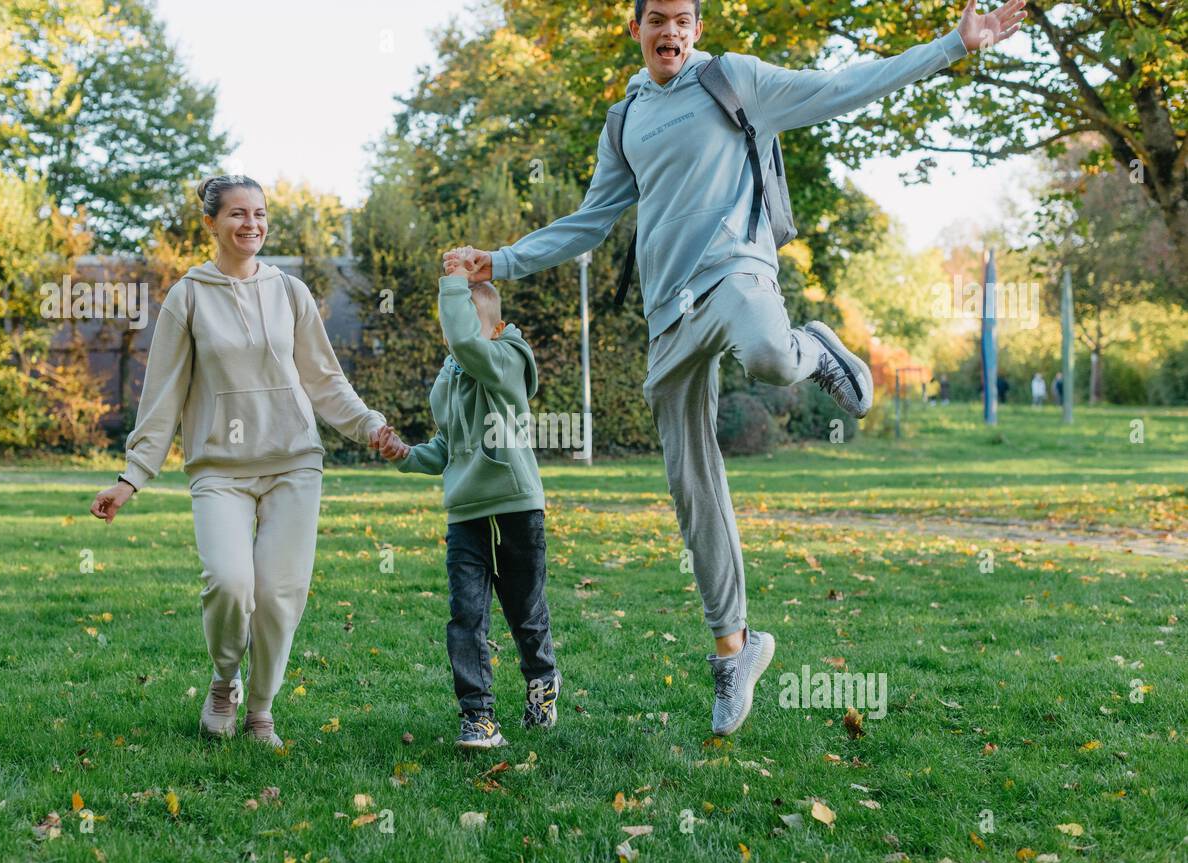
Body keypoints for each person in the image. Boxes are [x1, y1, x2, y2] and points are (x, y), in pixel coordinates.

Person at [446, 0, 1025, 736]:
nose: (671, 31)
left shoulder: (736, 81)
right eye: (657, 18)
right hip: (669, 314)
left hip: (739, 274)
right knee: (694, 489)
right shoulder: (624, 120)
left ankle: (814, 346)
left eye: (684, 18)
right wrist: (502, 259)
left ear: (697, 29)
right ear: (637, 30)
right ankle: (733, 648)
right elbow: (589, 223)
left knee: (772, 355)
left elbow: (842, 85)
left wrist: (952, 44)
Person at [89, 174, 391, 748]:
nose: (250, 224)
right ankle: (224, 682)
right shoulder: (189, 295)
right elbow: (163, 394)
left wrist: (370, 426)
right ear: (210, 224)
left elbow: (324, 380)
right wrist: (133, 476)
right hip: (219, 469)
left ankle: (260, 711)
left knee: (280, 593)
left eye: (259, 213)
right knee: (229, 583)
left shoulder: (291, 292)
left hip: (293, 462)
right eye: (236, 214)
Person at [374, 248, 559, 749]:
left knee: (525, 612)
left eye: (465, 327)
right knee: (466, 616)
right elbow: (444, 449)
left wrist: (454, 280)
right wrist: (403, 454)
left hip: (516, 508)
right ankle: (478, 716)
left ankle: (542, 678)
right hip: (466, 516)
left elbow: (467, 343)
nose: (455, 341)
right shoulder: (450, 376)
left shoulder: (505, 360)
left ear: (494, 331)